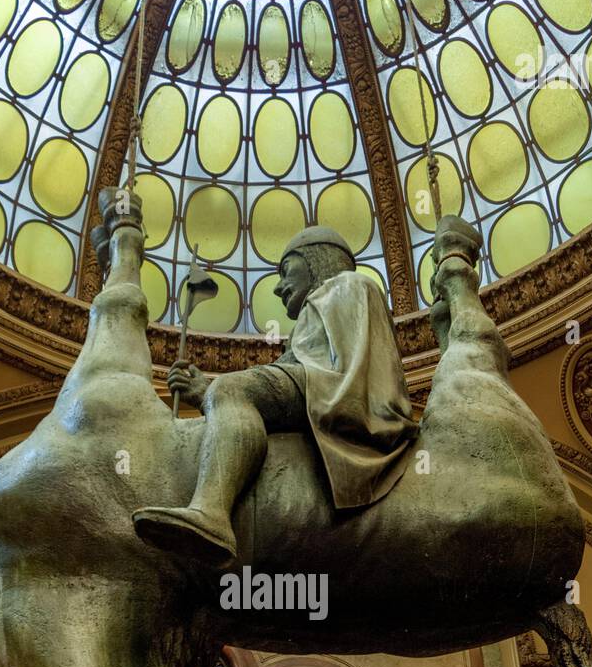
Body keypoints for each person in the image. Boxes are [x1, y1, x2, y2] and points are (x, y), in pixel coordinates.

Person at [132, 226, 420, 568]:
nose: (279, 286)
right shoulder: (321, 309)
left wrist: (221, 391)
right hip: (320, 387)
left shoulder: (349, 285)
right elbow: (280, 384)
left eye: (286, 271)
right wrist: (204, 395)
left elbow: (342, 372)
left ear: (316, 260)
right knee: (228, 390)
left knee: (231, 387)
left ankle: (211, 513)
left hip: (340, 391)